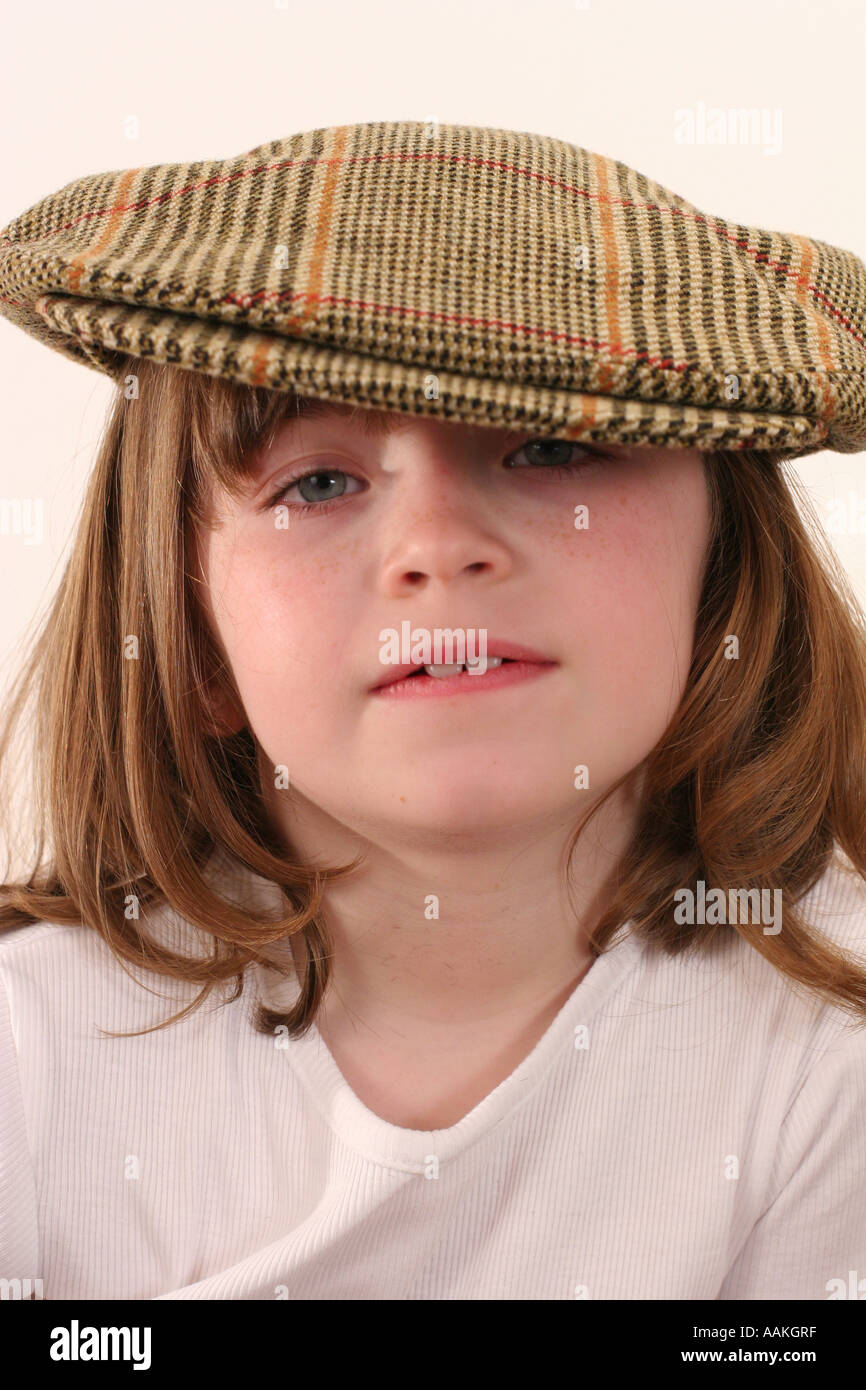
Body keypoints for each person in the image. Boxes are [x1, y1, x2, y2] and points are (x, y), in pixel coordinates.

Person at [0, 120, 865, 1301]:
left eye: (553, 450)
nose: (437, 547)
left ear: (720, 576)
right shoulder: (30, 1052)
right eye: (318, 481)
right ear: (194, 643)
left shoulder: (829, 1048)